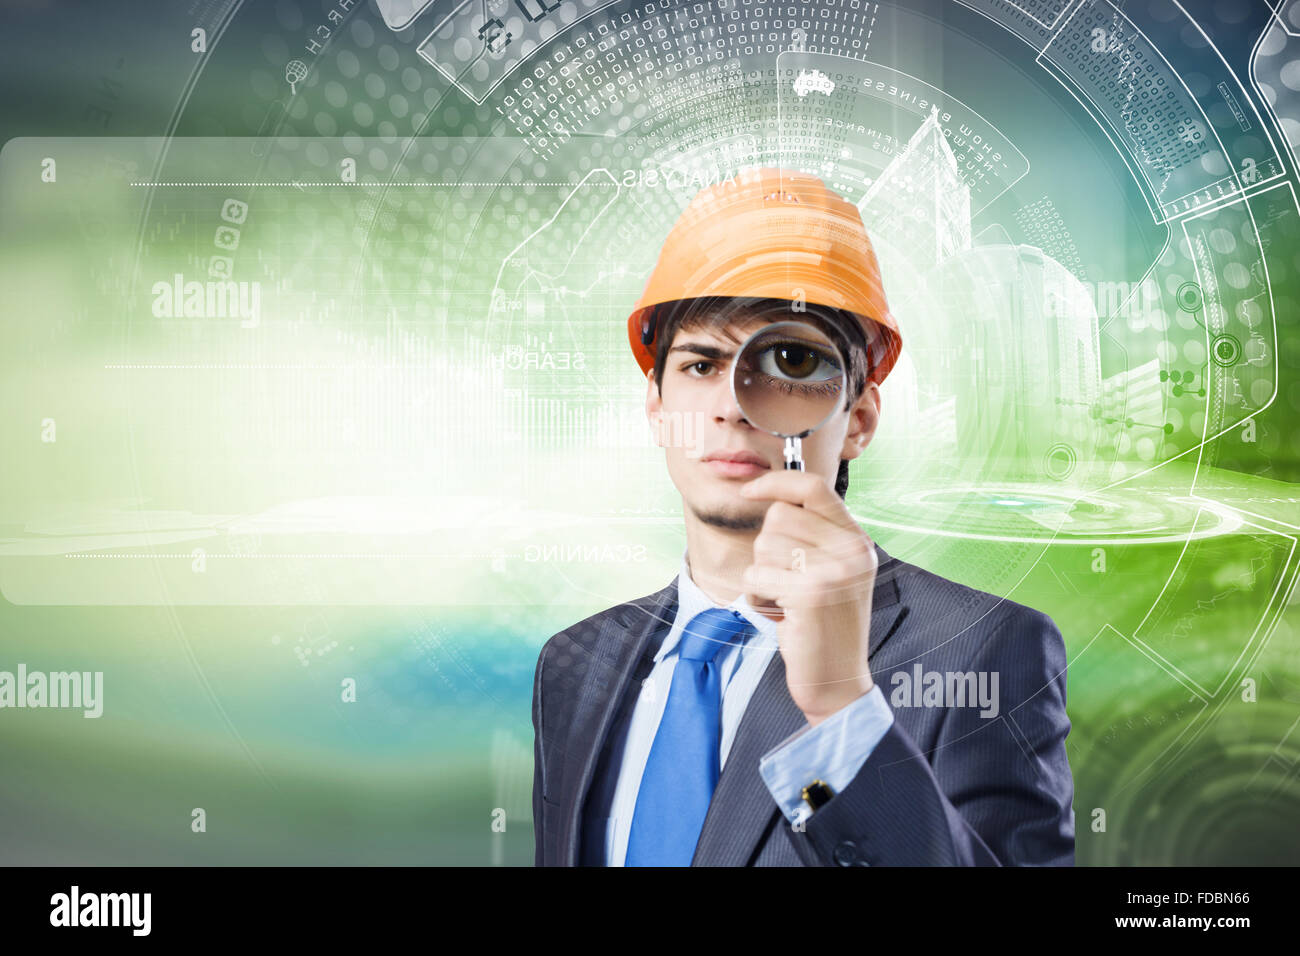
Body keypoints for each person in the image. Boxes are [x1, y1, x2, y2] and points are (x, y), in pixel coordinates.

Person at [531, 167, 1074, 866]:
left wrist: (840, 711)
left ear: (858, 420)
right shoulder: (573, 665)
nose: (732, 405)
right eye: (700, 365)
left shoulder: (981, 651)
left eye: (790, 359)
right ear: (656, 408)